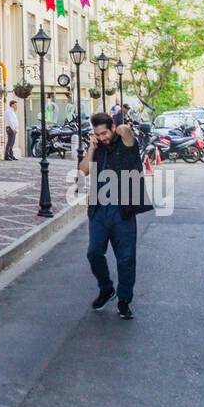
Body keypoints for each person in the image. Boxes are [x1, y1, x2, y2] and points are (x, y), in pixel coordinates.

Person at [79, 111, 152, 320]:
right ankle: (106, 288)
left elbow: (126, 133)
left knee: (126, 258)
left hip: (123, 210)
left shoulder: (126, 145)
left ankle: (123, 300)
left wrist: (120, 126)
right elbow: (83, 171)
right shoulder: (96, 148)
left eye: (104, 133)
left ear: (111, 128)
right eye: (97, 134)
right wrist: (92, 148)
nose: (102, 137)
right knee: (93, 253)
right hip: (99, 210)